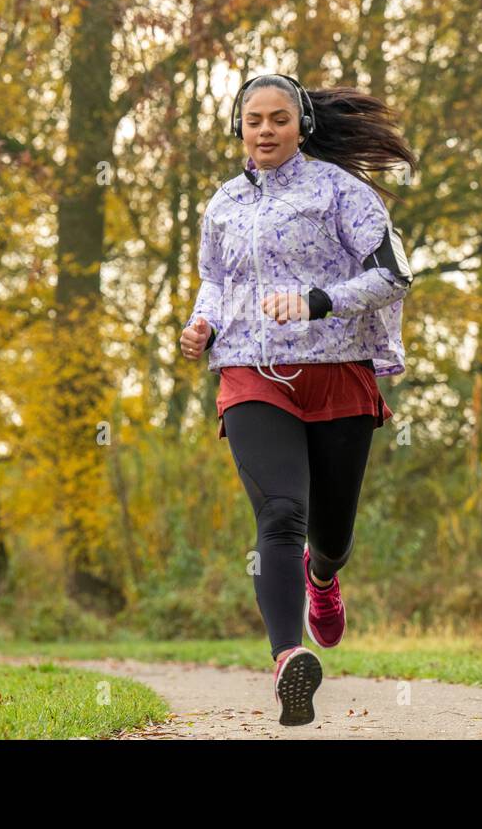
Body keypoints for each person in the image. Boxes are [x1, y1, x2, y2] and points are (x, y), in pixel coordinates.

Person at [179, 73, 415, 726]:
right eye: (254, 119)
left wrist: (320, 301)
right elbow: (213, 282)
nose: (265, 129)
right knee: (281, 513)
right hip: (250, 372)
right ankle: (289, 661)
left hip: (337, 371)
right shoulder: (223, 203)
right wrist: (203, 324)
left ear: (301, 124)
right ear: (239, 128)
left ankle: (323, 576)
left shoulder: (344, 192)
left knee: (331, 533)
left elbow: (395, 274)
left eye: (279, 118)